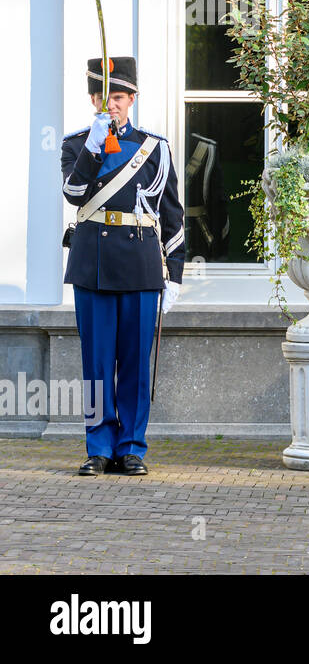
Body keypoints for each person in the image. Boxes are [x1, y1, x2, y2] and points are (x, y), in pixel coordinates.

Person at [61, 56, 184, 476]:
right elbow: (74, 194)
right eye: (102, 96)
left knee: (134, 361)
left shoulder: (155, 148)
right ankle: (98, 446)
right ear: (92, 99)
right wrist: (95, 148)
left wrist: (177, 276)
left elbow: (172, 216)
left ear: (131, 98)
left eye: (117, 96)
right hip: (92, 261)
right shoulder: (77, 145)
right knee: (96, 363)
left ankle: (131, 446)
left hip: (140, 263)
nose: (110, 104)